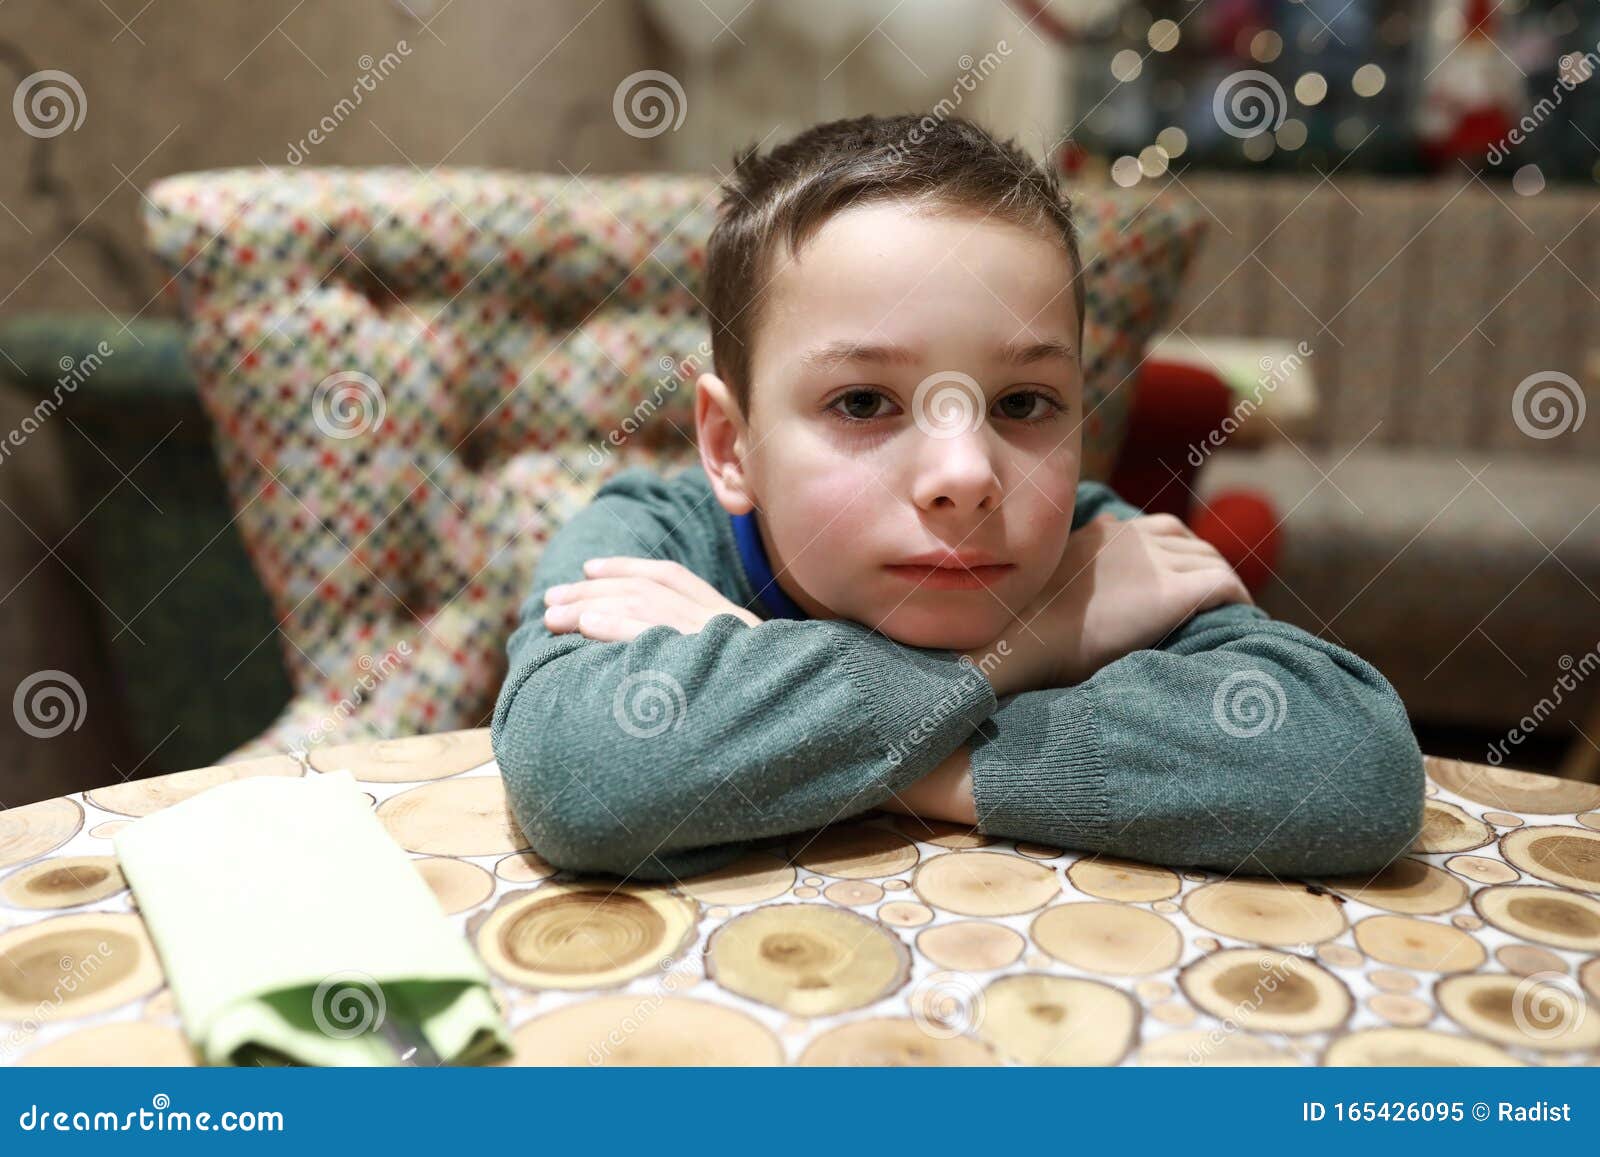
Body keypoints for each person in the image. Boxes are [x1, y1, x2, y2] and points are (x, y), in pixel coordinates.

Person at [489, 114, 1424, 883]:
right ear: (733, 446)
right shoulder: (646, 541)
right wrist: (1030, 646)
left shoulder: (1100, 550)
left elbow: (1352, 770)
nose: (967, 473)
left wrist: (784, 723)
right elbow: (588, 778)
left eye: (1022, 404)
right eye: (864, 402)